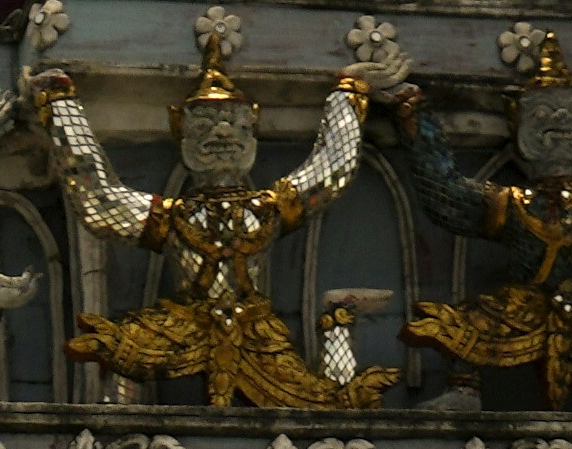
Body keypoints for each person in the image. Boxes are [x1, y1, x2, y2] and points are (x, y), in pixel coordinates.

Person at [43, 21, 387, 407]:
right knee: (119, 347)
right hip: (185, 324)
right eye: (204, 126)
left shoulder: (269, 208)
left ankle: (337, 326)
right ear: (182, 134)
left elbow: (331, 170)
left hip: (256, 332)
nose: (221, 135)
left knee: (329, 402)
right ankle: (114, 423)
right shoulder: (173, 217)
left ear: (252, 134)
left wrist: (348, 93)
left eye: (235, 126)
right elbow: (100, 200)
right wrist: (60, 105)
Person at [398, 30, 572, 412]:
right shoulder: (513, 203)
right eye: (543, 116)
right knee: (455, 325)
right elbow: (445, 194)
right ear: (522, 134)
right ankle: (465, 388)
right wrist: (412, 112)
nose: (560, 123)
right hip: (524, 307)